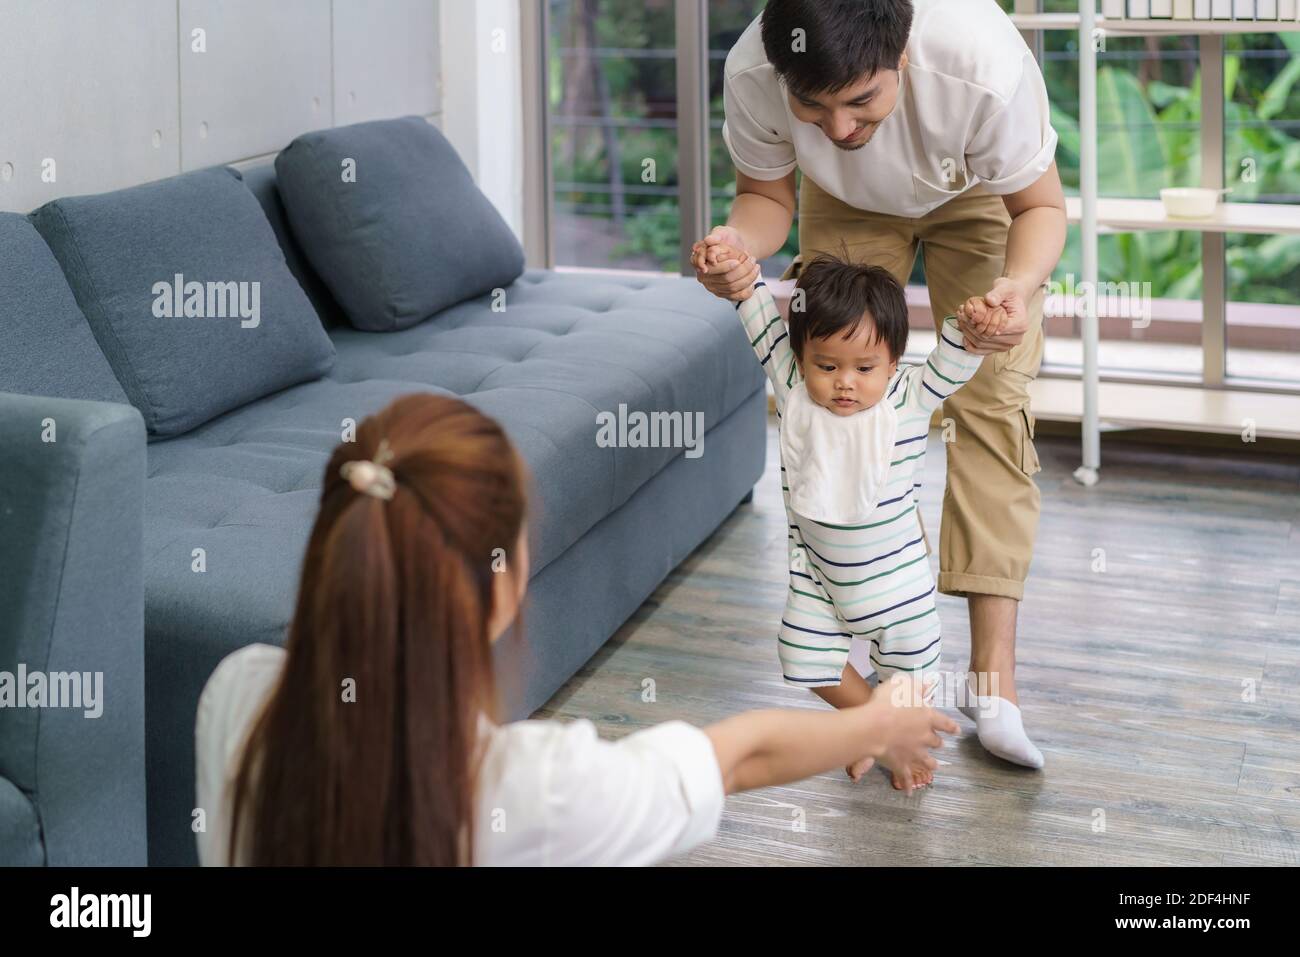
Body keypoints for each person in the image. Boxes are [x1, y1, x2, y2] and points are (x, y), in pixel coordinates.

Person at [194, 393, 958, 866]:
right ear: (499, 586)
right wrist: (880, 722)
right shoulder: (538, 787)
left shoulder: (235, 694)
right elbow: (737, 754)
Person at [695, 0, 1065, 769]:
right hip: (848, 203)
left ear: (901, 58)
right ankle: (884, 692)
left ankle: (993, 684)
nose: (835, 128)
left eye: (861, 101)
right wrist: (735, 245)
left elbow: (1040, 205)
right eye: (812, 107)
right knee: (825, 392)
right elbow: (766, 198)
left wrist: (1018, 292)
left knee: (991, 405)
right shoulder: (755, 69)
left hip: (981, 193)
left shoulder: (979, 64)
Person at [717, 247, 990, 788]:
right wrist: (743, 282)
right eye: (827, 366)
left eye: (865, 368)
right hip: (819, 581)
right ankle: (874, 732)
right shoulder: (794, 389)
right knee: (800, 654)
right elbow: (763, 324)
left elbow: (953, 362)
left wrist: (971, 326)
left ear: (893, 364)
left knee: (911, 683)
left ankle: (886, 734)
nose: (846, 382)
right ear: (801, 359)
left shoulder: (907, 399)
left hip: (900, 595)